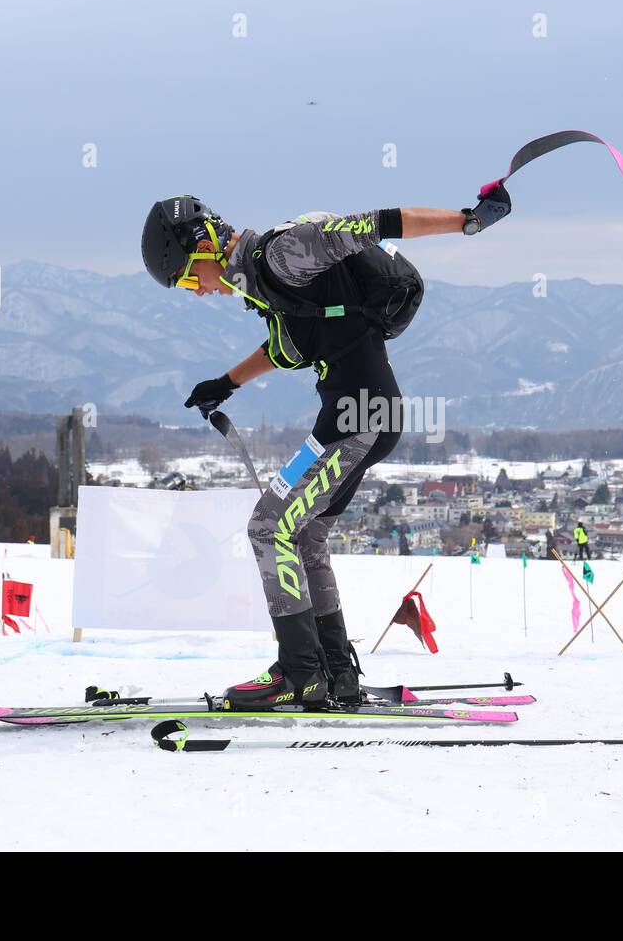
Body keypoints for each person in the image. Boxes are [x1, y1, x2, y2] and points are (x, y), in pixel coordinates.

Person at [141, 188, 511, 709]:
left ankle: (299, 674)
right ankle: (335, 673)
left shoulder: (282, 255)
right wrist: (225, 383)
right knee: (305, 531)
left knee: (268, 526)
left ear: (203, 247)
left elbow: (373, 224)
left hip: (358, 418)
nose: (195, 291)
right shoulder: (274, 291)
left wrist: (467, 221)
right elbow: (285, 348)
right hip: (350, 417)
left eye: (185, 277)